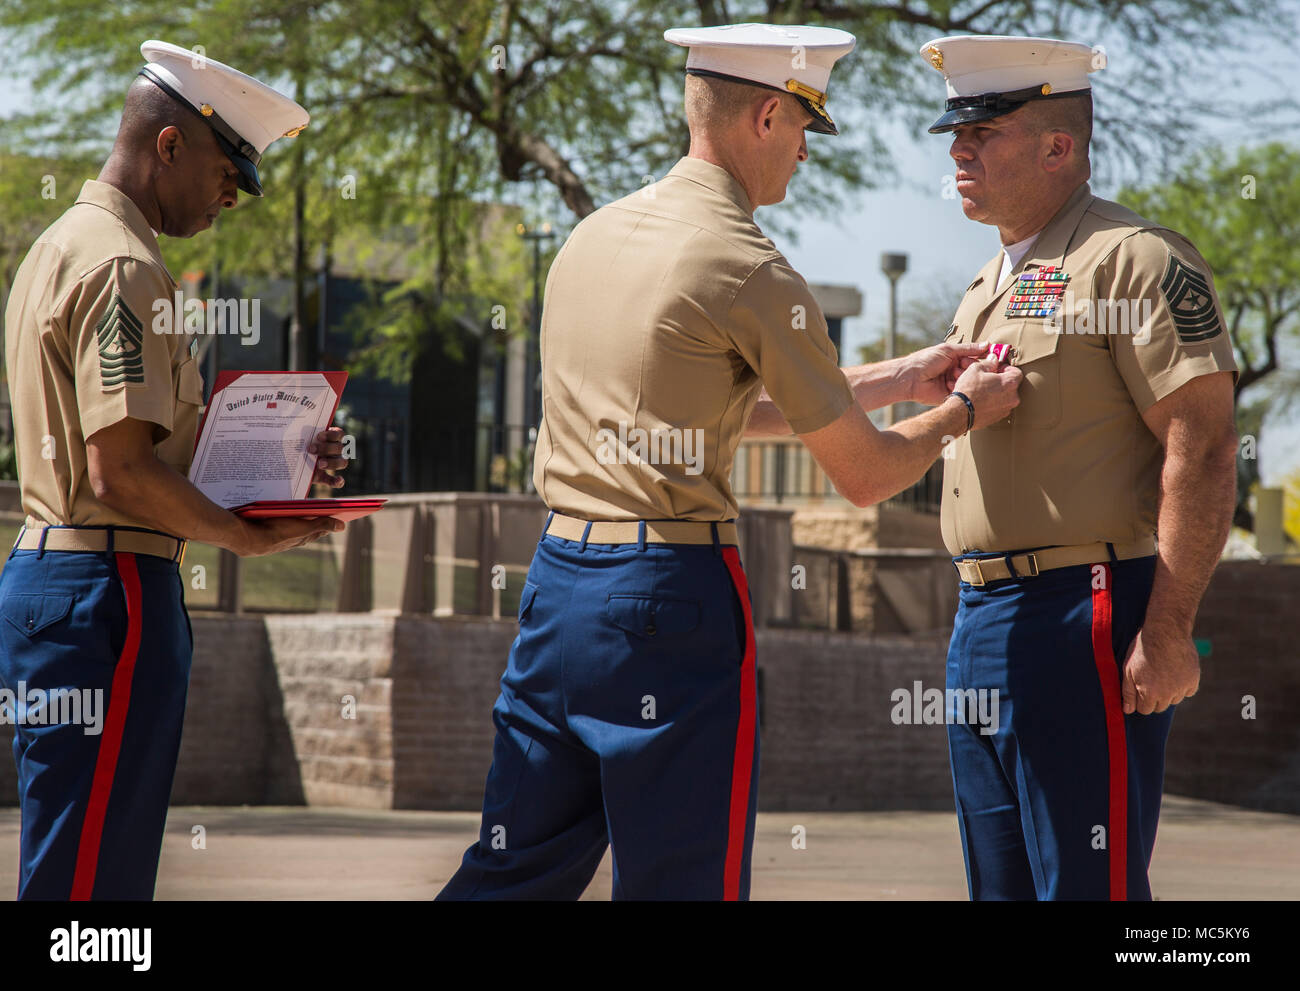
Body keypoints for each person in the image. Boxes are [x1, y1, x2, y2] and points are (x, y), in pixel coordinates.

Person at [438, 22, 1022, 901]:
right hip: (668, 594)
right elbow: (863, 476)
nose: (802, 155)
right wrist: (961, 412)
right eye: (801, 128)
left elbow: (702, 408)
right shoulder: (751, 266)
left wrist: (900, 377)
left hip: (557, 587)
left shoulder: (591, 235)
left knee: (512, 871)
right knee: (685, 881)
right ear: (764, 117)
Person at [1, 40, 350, 900]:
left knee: (83, 859)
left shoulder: (62, 244)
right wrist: (241, 537)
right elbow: (118, 470)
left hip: (71, 577)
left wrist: (280, 455)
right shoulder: (121, 266)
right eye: (227, 168)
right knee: (92, 874)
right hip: (106, 585)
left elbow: (136, 452)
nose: (232, 193)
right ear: (167, 147)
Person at [919, 34, 1239, 900]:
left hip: (1084, 612)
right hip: (981, 617)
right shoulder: (988, 280)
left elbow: (1204, 446)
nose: (959, 148)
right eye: (957, 131)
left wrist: (1168, 631)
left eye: (984, 130)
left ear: (1060, 146)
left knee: (1086, 887)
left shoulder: (1138, 258)